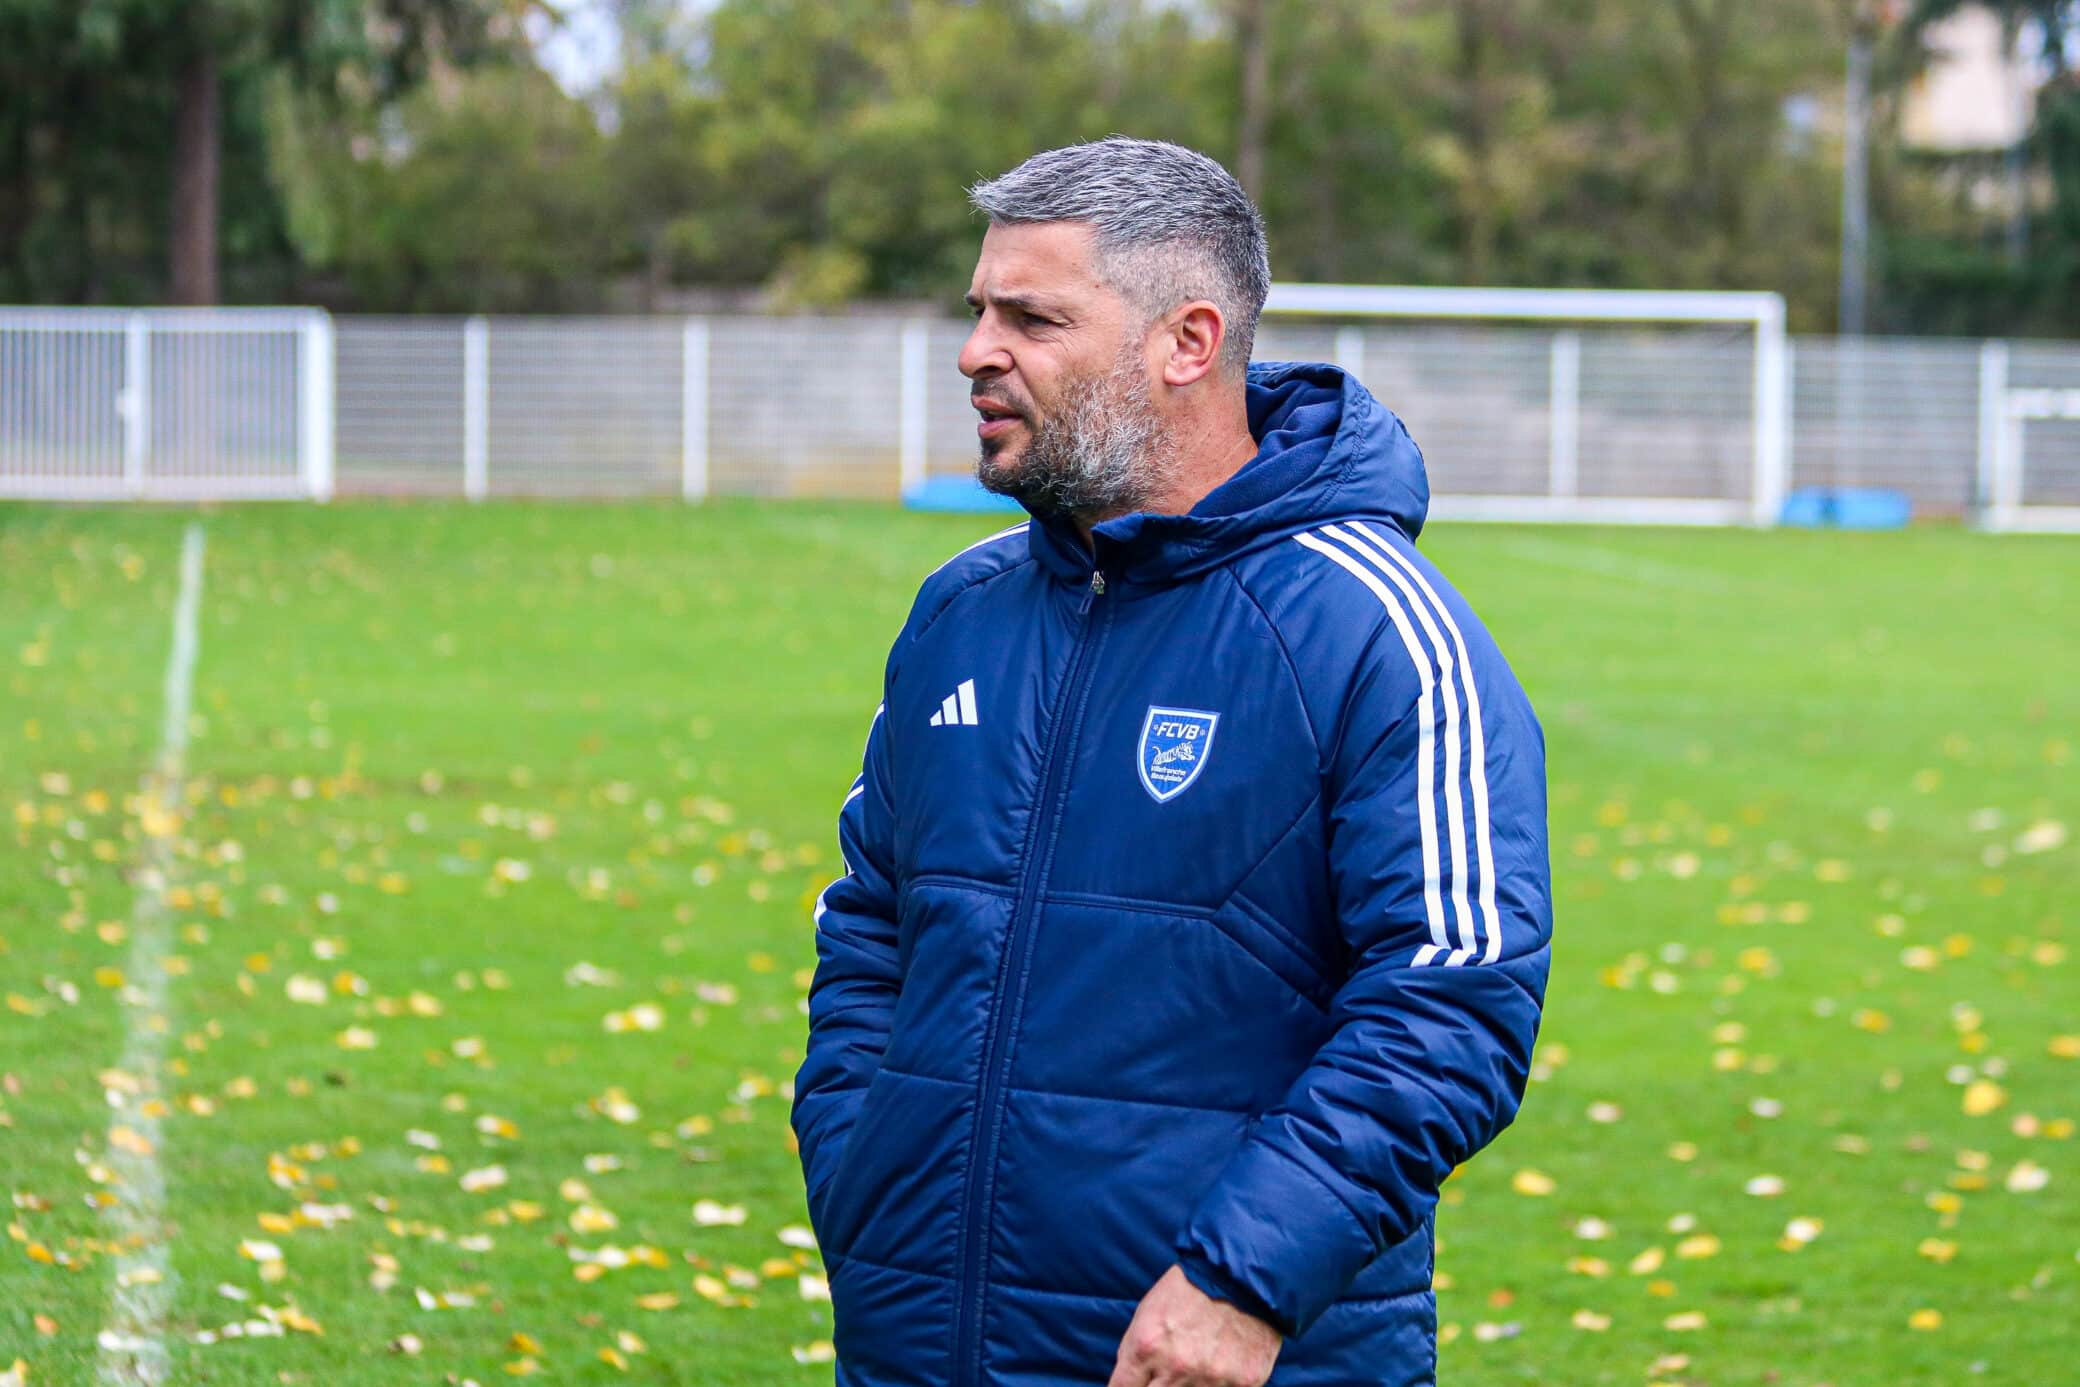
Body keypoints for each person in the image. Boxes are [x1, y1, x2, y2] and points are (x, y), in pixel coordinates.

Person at [790, 137, 1552, 1387]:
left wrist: (1239, 1282)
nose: (977, 349)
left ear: (1187, 342)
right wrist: (858, 1163)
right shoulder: (957, 612)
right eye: (979, 310)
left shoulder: (1375, 630)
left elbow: (1452, 997)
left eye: (1030, 316)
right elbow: (871, 924)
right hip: (923, 1341)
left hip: (1219, 1354)